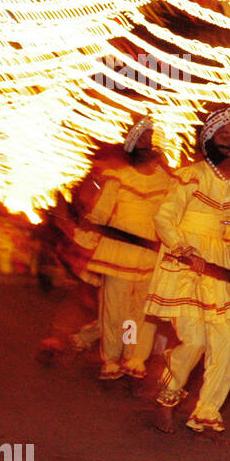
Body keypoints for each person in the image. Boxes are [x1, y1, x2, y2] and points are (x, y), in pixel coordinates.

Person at [145, 106, 230, 434]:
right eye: (223, 136)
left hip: (218, 270)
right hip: (186, 267)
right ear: (208, 139)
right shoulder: (190, 175)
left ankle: (206, 412)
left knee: (225, 346)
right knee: (193, 341)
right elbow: (164, 219)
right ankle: (166, 397)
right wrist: (184, 249)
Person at [83, 118, 175, 381]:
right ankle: (111, 358)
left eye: (151, 137)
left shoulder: (166, 181)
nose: (147, 143)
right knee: (115, 310)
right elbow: (102, 213)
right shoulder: (118, 177)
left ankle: (133, 356)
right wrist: (89, 234)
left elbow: (174, 211)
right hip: (119, 252)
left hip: (149, 253)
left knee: (139, 312)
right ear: (132, 144)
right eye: (142, 138)